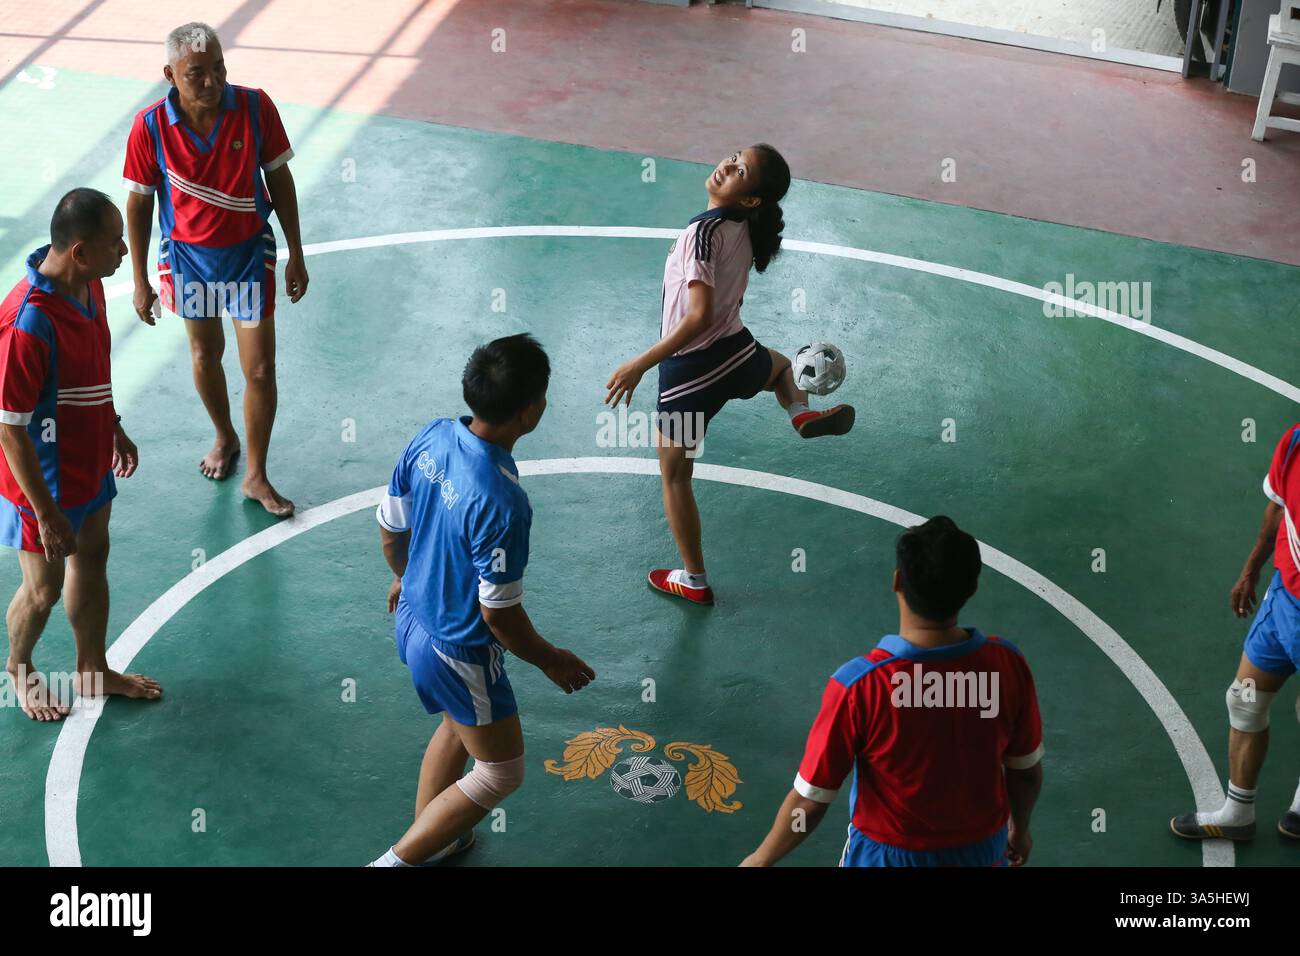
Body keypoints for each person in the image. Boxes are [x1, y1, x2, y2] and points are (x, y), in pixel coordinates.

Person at [370, 334, 595, 866]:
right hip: (457, 648)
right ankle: (393, 863)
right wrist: (551, 659)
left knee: (458, 722)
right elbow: (498, 613)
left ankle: (438, 838)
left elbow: (388, 528)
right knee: (501, 771)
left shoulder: (433, 437)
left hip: (411, 618)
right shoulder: (502, 501)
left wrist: (409, 576)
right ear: (532, 409)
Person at [605, 144, 853, 606]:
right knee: (780, 367)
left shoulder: (702, 234)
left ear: (752, 199)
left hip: (688, 373)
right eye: (734, 157)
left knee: (676, 478)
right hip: (737, 352)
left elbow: (696, 317)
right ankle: (799, 411)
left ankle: (693, 580)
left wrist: (641, 363)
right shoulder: (743, 227)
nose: (727, 165)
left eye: (740, 170)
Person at [742, 516, 1043, 866]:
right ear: (972, 588)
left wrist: (759, 860)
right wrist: (1019, 830)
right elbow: (1025, 772)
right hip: (981, 852)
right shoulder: (1006, 665)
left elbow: (810, 800)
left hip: (887, 858)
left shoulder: (859, 686)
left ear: (897, 580)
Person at [123, 21, 308, 517]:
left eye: (219, 69)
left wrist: (296, 252)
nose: (212, 82)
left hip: (249, 257)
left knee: (261, 368)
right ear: (170, 74)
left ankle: (257, 474)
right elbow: (138, 205)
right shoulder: (150, 127)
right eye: (197, 74)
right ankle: (225, 436)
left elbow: (281, 181)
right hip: (187, 261)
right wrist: (140, 280)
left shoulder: (254, 107)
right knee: (206, 356)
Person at [0, 188, 161, 722]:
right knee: (42, 589)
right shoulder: (27, 324)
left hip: (89, 453)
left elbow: (91, 367)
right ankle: (19, 670)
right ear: (79, 251)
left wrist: (113, 426)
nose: (125, 251)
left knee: (92, 555)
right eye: (116, 243)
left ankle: (92, 666)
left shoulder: (89, 288)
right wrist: (45, 513)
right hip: (41, 477)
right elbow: (10, 431)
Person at [1171, 423, 1300, 842]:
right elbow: (1278, 508)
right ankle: (1237, 813)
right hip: (1285, 597)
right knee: (1244, 699)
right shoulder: (1296, 440)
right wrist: (1251, 570)